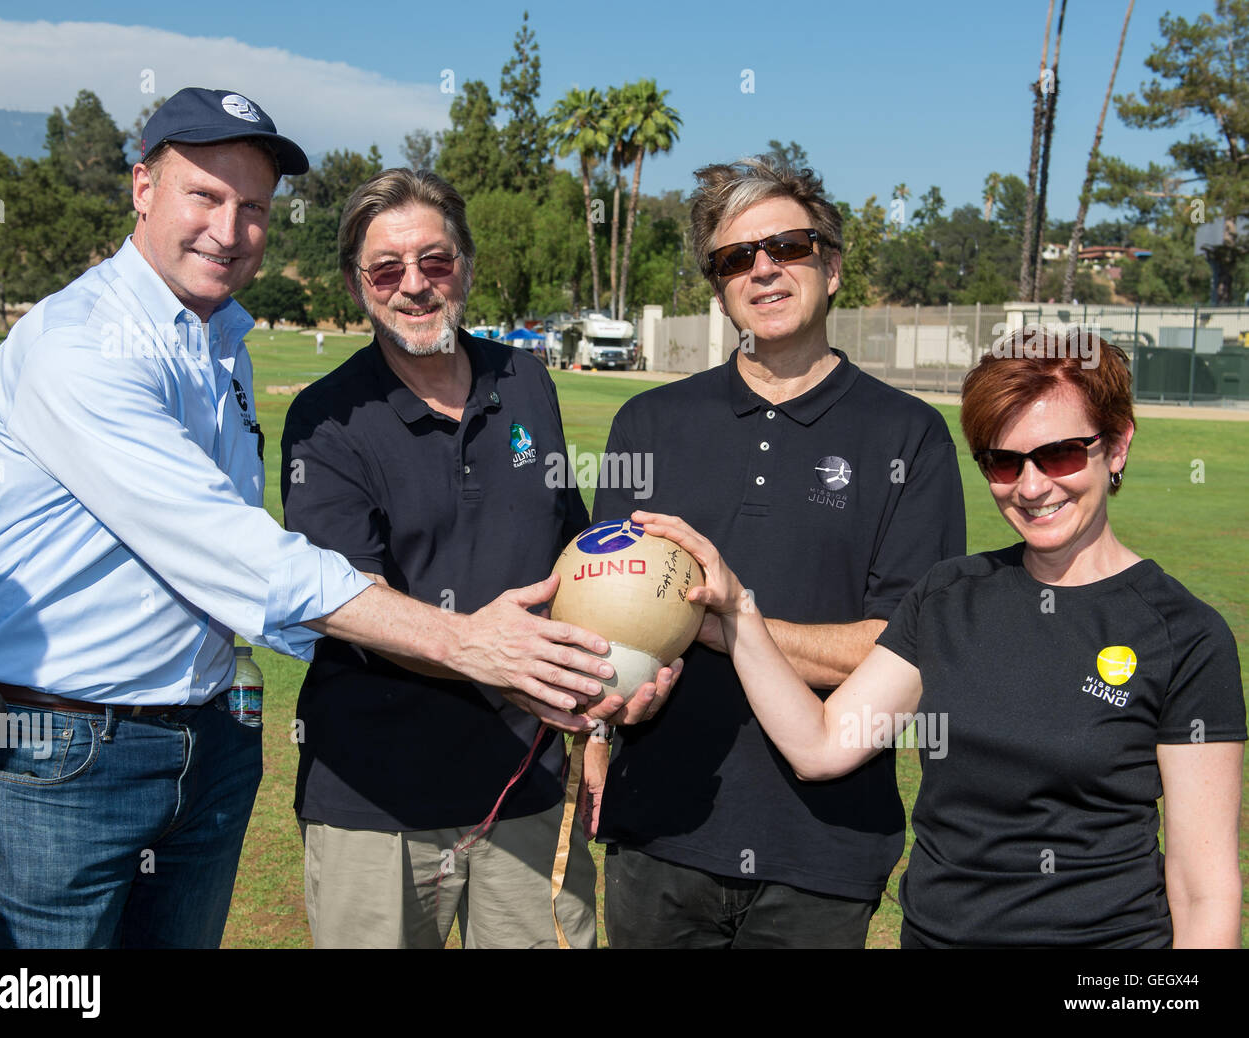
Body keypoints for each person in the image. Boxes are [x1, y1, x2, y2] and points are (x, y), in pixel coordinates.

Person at [0, 89, 621, 949]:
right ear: (142, 188)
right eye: (205, 195)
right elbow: (233, 553)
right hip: (66, 753)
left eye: (253, 208)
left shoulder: (214, 345)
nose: (228, 230)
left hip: (203, 741)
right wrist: (462, 643)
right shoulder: (79, 342)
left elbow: (263, 587)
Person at [646, 327, 1246, 947]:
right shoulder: (950, 595)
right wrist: (737, 609)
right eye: (1004, 462)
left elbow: (1204, 888)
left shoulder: (1185, 635)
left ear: (1116, 446)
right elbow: (821, 746)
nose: (1032, 487)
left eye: (1061, 454)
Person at [279, 168, 674, 950]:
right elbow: (349, 600)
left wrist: (604, 710)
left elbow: (570, 564)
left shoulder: (524, 380)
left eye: (436, 260)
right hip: (376, 800)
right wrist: (489, 651)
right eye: (386, 269)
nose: (414, 286)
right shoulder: (326, 417)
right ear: (358, 285)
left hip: (527, 786)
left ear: (466, 263)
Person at [589, 157, 967, 948]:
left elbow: (900, 645)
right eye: (735, 258)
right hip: (658, 832)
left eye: (788, 246)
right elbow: (606, 625)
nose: (763, 268)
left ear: (830, 266)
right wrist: (595, 728)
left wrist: (721, 621)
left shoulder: (909, 436)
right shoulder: (648, 426)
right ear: (720, 287)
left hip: (821, 851)